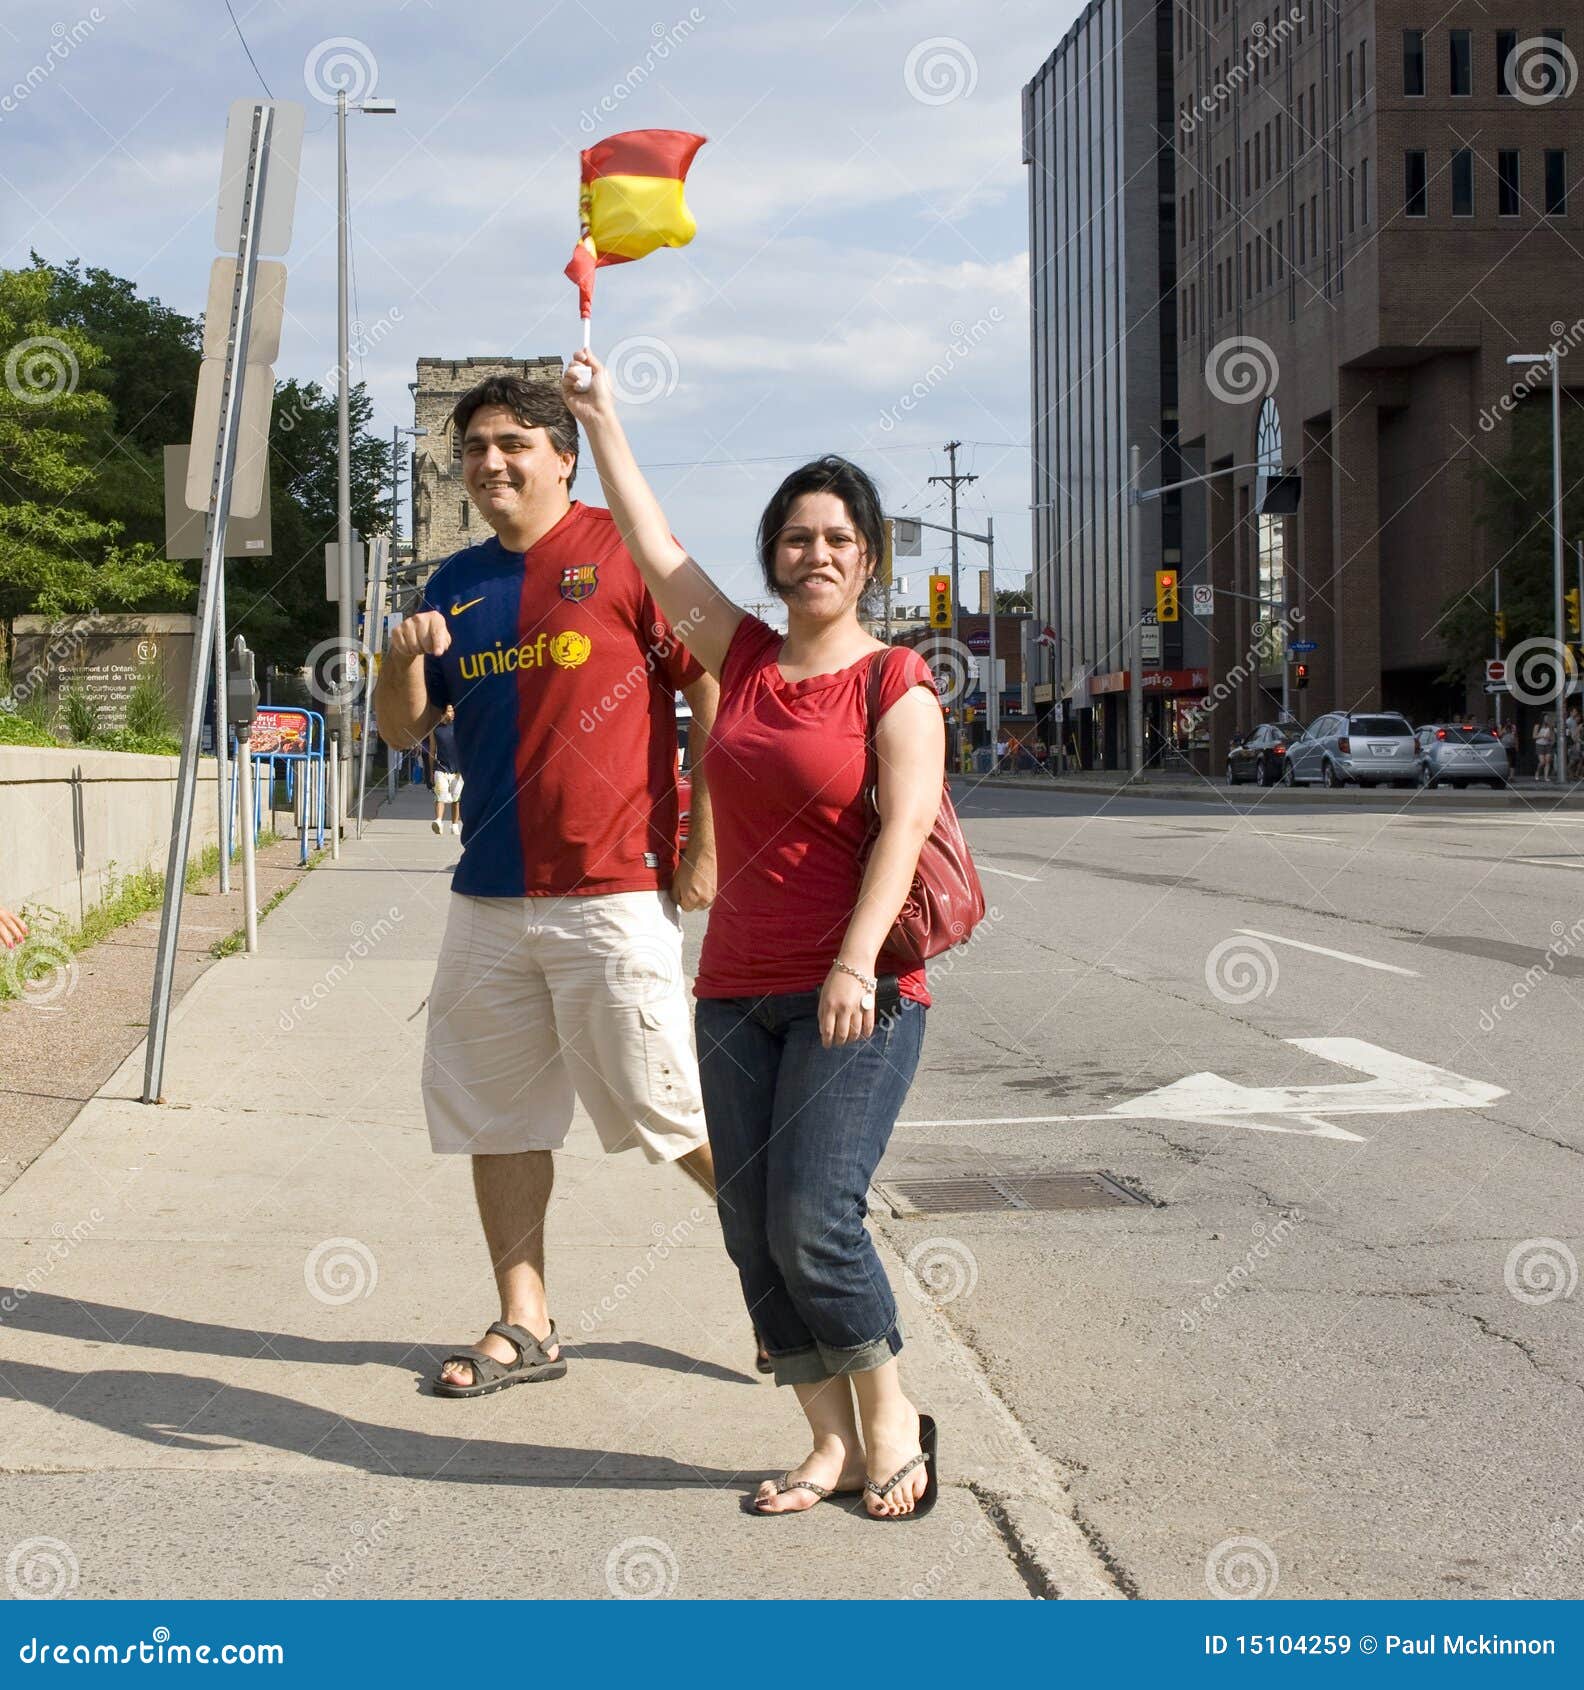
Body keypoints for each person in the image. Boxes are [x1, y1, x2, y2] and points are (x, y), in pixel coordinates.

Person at [564, 348, 943, 1521]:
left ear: (868, 557)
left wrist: (851, 962)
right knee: (748, 1228)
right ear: (774, 559)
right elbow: (655, 546)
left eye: (837, 537)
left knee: (813, 1219)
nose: (815, 553)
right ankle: (823, 1439)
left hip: (855, 992)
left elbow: (907, 827)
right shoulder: (743, 656)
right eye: (795, 537)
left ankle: (893, 1426)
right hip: (734, 989)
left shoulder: (896, 680)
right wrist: (600, 417)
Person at [375, 372, 723, 1398]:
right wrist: (400, 660)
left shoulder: (625, 555)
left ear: (563, 456)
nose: (490, 463)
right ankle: (527, 1322)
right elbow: (404, 729)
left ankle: (789, 1280)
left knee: (672, 1113)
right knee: (498, 1114)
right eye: (474, 447)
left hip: (611, 888)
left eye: (512, 444)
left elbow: (711, 684)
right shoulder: (453, 584)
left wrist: (703, 843)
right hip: (487, 894)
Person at [426, 704, 463, 837]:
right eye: (449, 711)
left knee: (456, 799)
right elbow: (432, 751)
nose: (452, 713)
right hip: (441, 768)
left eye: (453, 711)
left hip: (458, 770)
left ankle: (454, 825)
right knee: (440, 795)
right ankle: (439, 821)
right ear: (442, 714)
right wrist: (430, 772)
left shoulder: (459, 727)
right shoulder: (435, 730)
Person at [1535, 717, 1555, 781]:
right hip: (1539, 744)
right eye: (1545, 718)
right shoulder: (1537, 726)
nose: (1547, 720)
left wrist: (1550, 739)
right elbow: (1534, 736)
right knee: (1542, 762)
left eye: (1548, 718)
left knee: (1548, 761)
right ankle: (1537, 772)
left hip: (1547, 744)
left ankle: (1546, 777)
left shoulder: (1550, 726)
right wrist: (1542, 736)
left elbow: (1552, 736)